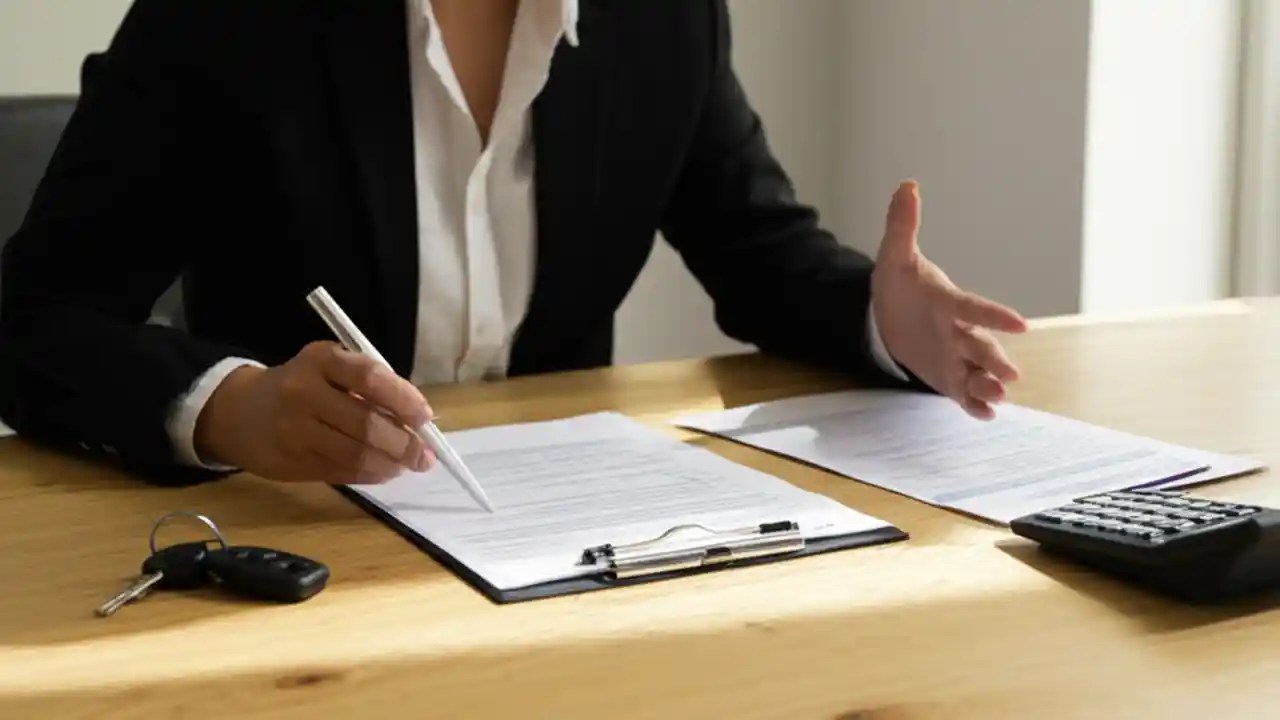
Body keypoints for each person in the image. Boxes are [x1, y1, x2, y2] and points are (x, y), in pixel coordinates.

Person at [0, 0, 1026, 488]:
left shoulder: (661, 20)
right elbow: (35, 319)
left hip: (556, 553)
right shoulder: (226, 19)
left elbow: (756, 248)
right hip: (293, 548)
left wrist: (879, 319)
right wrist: (234, 408)